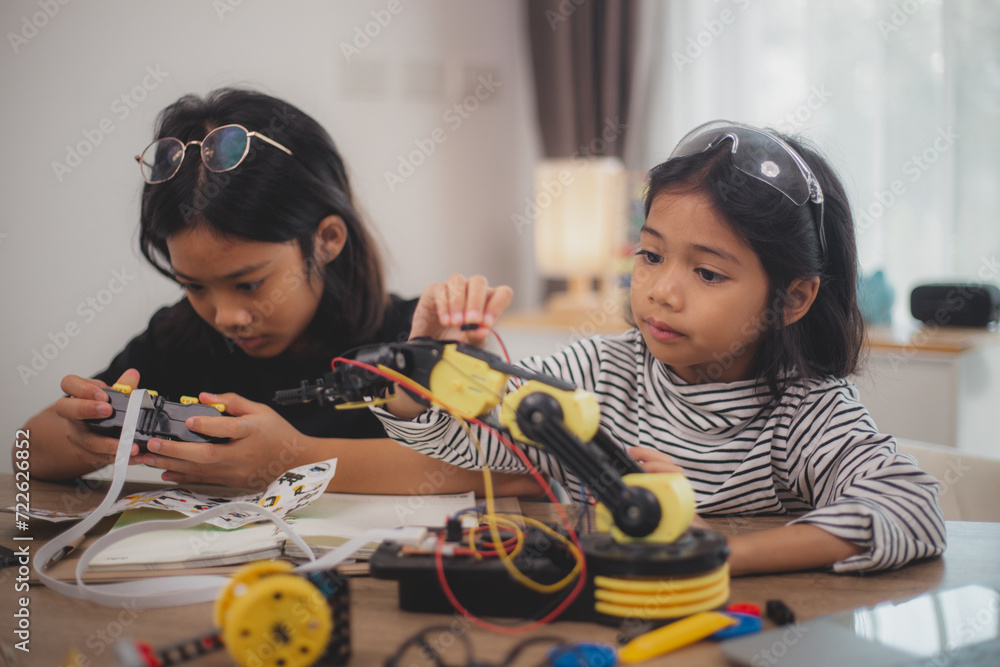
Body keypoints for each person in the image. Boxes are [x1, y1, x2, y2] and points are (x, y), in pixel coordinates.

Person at [372, 121, 946, 575]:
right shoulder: (598, 373)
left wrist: (711, 552)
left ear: (791, 298)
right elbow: (460, 439)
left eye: (708, 273)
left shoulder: (804, 413)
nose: (661, 292)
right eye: (650, 255)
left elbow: (910, 506)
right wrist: (423, 366)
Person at [21, 88, 540, 496]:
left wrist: (293, 460)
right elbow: (27, 451)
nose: (226, 316)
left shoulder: (409, 340)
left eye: (250, 283)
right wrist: (84, 438)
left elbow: (520, 473)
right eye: (193, 285)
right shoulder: (180, 337)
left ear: (327, 239)